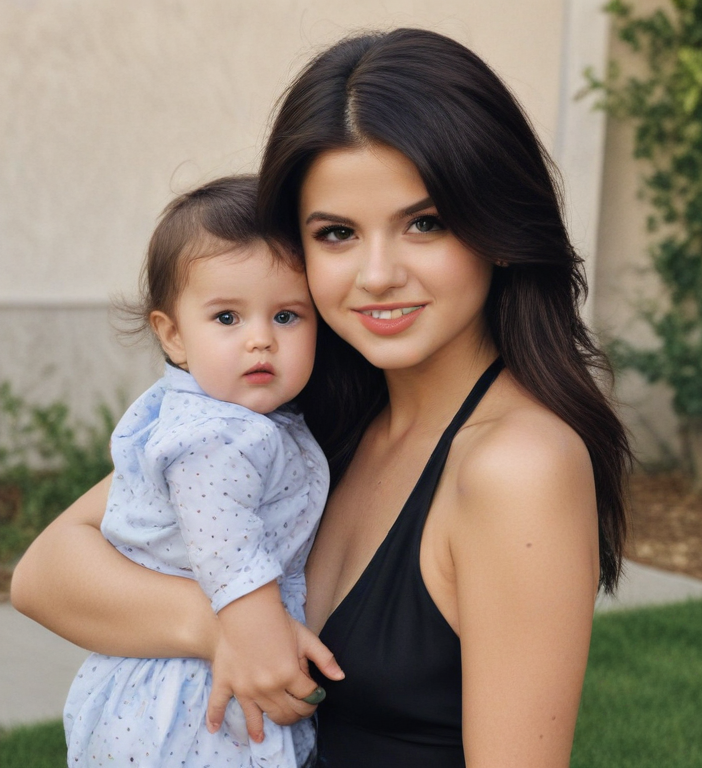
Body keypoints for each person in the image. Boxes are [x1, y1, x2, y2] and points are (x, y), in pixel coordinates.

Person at [12, 29, 631, 768]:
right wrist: (229, 628)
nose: (377, 274)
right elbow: (47, 572)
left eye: (425, 223)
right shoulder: (302, 409)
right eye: (337, 233)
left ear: (496, 228)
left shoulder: (519, 465)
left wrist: (244, 628)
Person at [60, 175, 340, 768]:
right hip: (189, 695)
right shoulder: (215, 435)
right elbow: (225, 547)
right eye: (227, 317)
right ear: (174, 336)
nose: (260, 340)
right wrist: (264, 642)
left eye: (287, 316)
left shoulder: (225, 416)